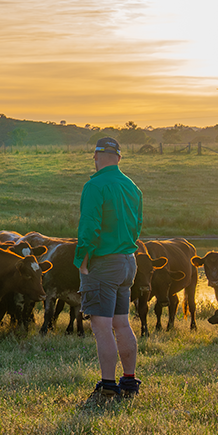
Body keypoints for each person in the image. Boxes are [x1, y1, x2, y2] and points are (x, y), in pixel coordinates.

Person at [74, 136, 143, 404]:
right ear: (119, 158)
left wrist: (82, 259)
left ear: (96, 157)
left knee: (101, 327)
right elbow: (137, 226)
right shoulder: (132, 187)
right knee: (122, 322)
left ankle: (107, 386)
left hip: (103, 262)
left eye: (94, 157)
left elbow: (90, 226)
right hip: (128, 260)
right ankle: (129, 380)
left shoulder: (95, 186)